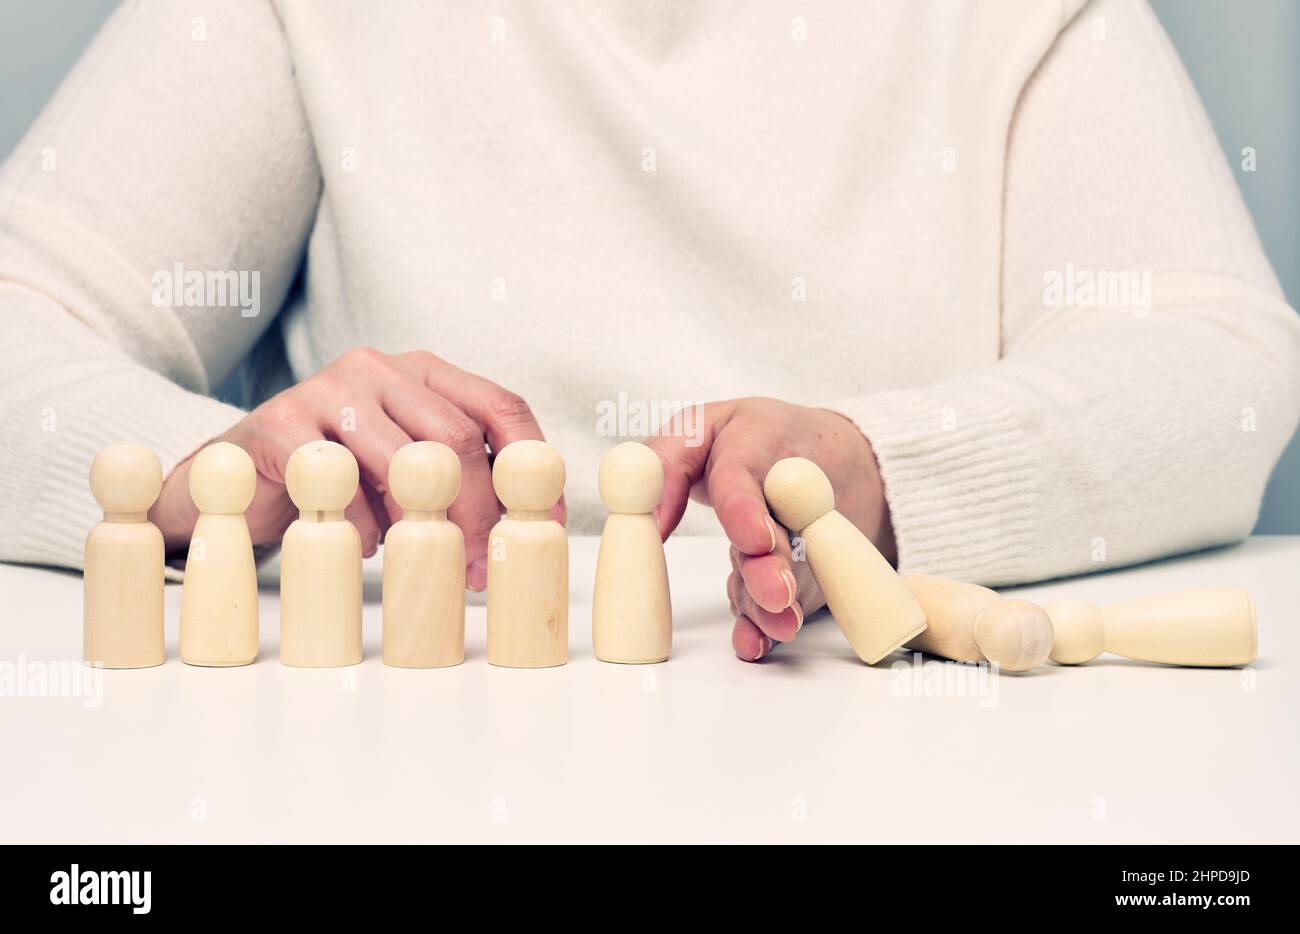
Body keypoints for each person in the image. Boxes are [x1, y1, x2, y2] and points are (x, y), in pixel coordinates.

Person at [1, 0, 1296, 662]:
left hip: (891, 766)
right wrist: (212, 476)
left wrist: (878, 469)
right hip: (391, 777)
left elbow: (1219, 365)